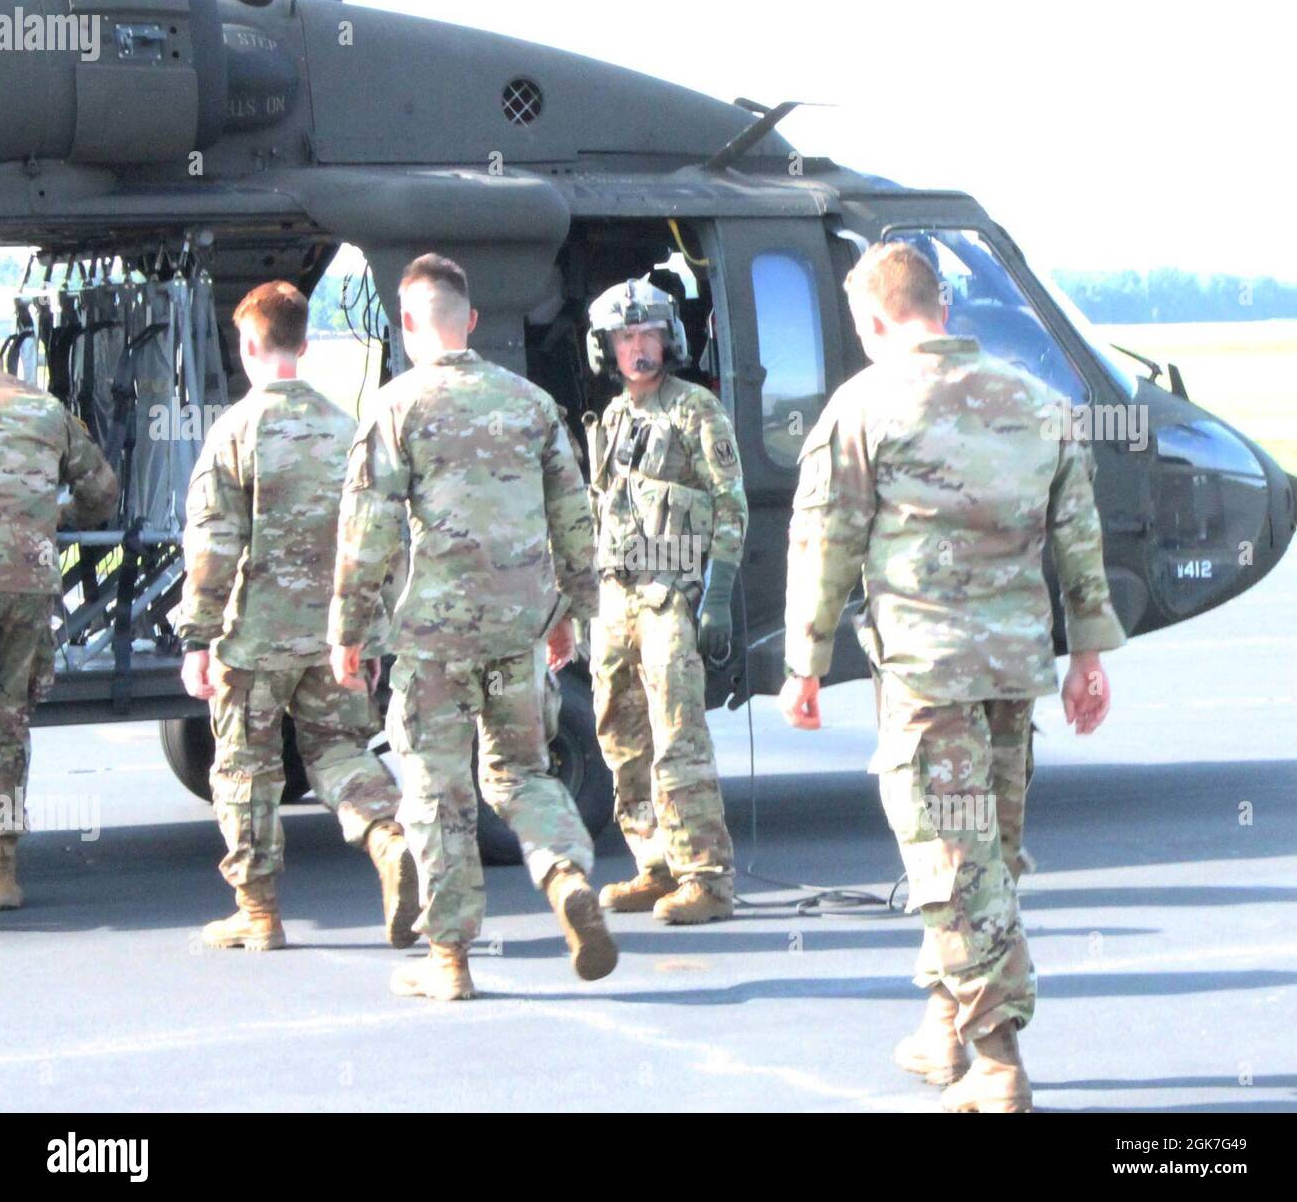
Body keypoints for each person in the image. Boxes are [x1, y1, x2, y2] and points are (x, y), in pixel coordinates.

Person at [779, 241, 1125, 1112]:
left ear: (876, 318)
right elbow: (1079, 538)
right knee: (988, 855)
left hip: (927, 679)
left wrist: (804, 663)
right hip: (1012, 673)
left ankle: (997, 1058)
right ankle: (943, 1024)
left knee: (949, 861)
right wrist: (1086, 656)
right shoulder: (1041, 403)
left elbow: (826, 542)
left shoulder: (864, 406)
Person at [329, 253, 616, 1001]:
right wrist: (569, 615)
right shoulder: (530, 404)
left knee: (435, 788)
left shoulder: (398, 407)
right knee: (523, 772)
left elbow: (368, 529)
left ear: (408, 324)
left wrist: (348, 629)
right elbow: (575, 520)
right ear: (473, 322)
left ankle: (449, 957)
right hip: (517, 627)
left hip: (432, 636)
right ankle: (565, 877)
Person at [177, 282, 416, 952]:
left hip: (252, 639)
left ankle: (259, 913)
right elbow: (380, 535)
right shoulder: (350, 430)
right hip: (334, 635)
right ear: (305, 345)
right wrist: (369, 631)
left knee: (246, 769)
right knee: (338, 750)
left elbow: (213, 543)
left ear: (249, 346)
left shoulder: (234, 432)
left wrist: (197, 635)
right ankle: (387, 836)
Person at [583, 278, 748, 924]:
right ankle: (655, 862)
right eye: (626, 337)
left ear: (668, 338)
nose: (639, 347)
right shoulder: (615, 418)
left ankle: (706, 877)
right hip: (618, 596)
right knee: (621, 734)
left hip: (671, 596)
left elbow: (730, 505)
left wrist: (718, 597)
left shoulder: (696, 412)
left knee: (679, 735)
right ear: (609, 348)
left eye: (648, 333)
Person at [0, 370, 118, 909]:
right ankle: (1, 870)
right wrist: (55, 518)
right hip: (25, 582)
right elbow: (103, 494)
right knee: (7, 721)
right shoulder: (46, 412)